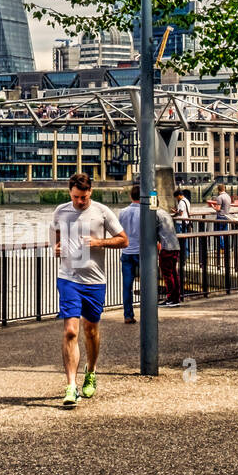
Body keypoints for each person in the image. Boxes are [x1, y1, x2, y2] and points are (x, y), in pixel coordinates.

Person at [51, 172, 126, 408]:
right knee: (71, 331)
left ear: (90, 192)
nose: (79, 202)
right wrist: (56, 247)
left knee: (91, 330)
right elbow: (55, 237)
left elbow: (123, 240)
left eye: (83, 197)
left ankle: (91, 371)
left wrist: (98, 243)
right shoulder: (61, 211)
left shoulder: (102, 212)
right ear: (69, 192)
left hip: (94, 280)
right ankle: (71, 386)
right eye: (75, 197)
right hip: (68, 278)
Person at [118, 185, 143, 325]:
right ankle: (147, 313)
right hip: (141, 252)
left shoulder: (122, 212)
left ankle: (128, 315)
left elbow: (119, 232)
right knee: (147, 284)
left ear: (130, 196)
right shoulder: (146, 212)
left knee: (127, 286)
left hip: (126, 252)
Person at [155, 203, 182, 306]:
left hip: (166, 247)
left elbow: (152, 231)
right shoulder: (164, 212)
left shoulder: (154, 214)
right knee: (173, 273)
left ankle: (171, 298)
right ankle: (176, 297)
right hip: (175, 245)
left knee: (167, 274)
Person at [211, 183, 232, 250]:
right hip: (227, 216)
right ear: (224, 189)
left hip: (220, 216)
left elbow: (218, 208)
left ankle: (222, 247)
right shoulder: (228, 196)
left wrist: (213, 207)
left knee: (218, 233)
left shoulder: (220, 197)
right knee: (225, 233)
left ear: (218, 189)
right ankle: (226, 247)